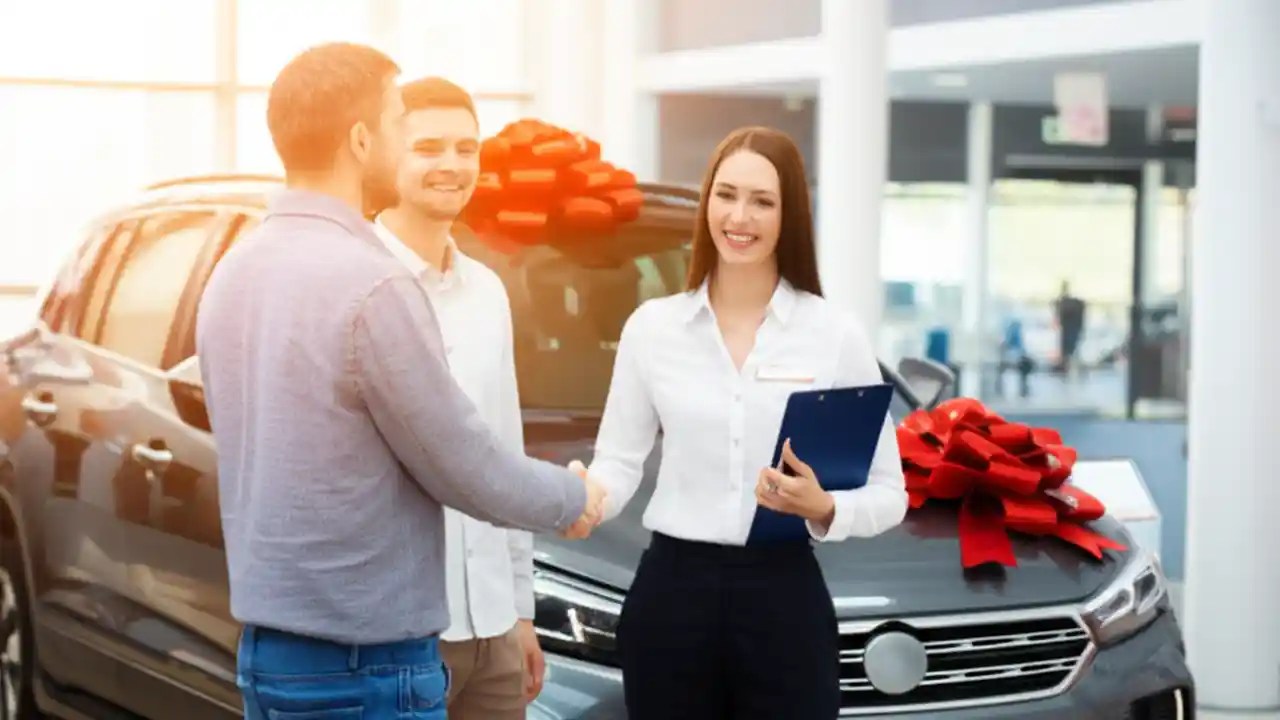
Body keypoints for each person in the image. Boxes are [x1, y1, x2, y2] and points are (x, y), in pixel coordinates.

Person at [195, 43, 605, 719]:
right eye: (395, 123)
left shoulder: (233, 273)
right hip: (368, 668)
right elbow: (462, 461)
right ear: (361, 140)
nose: (402, 140)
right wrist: (573, 497)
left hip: (270, 660)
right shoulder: (375, 284)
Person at [581, 126, 908, 718]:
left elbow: (890, 493)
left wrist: (826, 508)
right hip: (673, 596)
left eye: (762, 201)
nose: (740, 216)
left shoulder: (833, 333)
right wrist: (583, 499)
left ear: (790, 216)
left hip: (783, 597)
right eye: (726, 194)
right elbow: (620, 462)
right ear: (707, 200)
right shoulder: (653, 328)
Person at [372, 76, 542, 718]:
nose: (452, 165)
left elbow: (505, 455)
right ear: (390, 154)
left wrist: (521, 611)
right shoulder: (358, 281)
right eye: (430, 147)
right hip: (402, 632)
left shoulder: (488, 293)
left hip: (494, 632)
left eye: (466, 148)